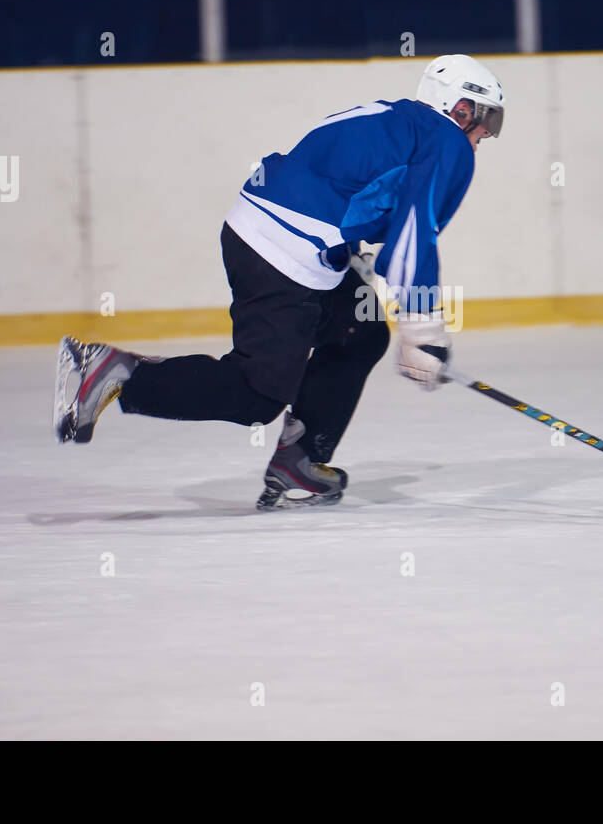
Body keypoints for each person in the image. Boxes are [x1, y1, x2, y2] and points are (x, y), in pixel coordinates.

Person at [53, 54, 504, 509]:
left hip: (262, 230)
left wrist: (345, 247)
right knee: (257, 393)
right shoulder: (448, 141)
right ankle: (121, 374)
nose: (488, 133)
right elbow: (413, 235)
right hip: (284, 254)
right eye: (488, 119)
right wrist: (423, 329)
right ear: (461, 108)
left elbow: (334, 176)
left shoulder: (394, 116)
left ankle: (301, 458)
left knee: (359, 334)